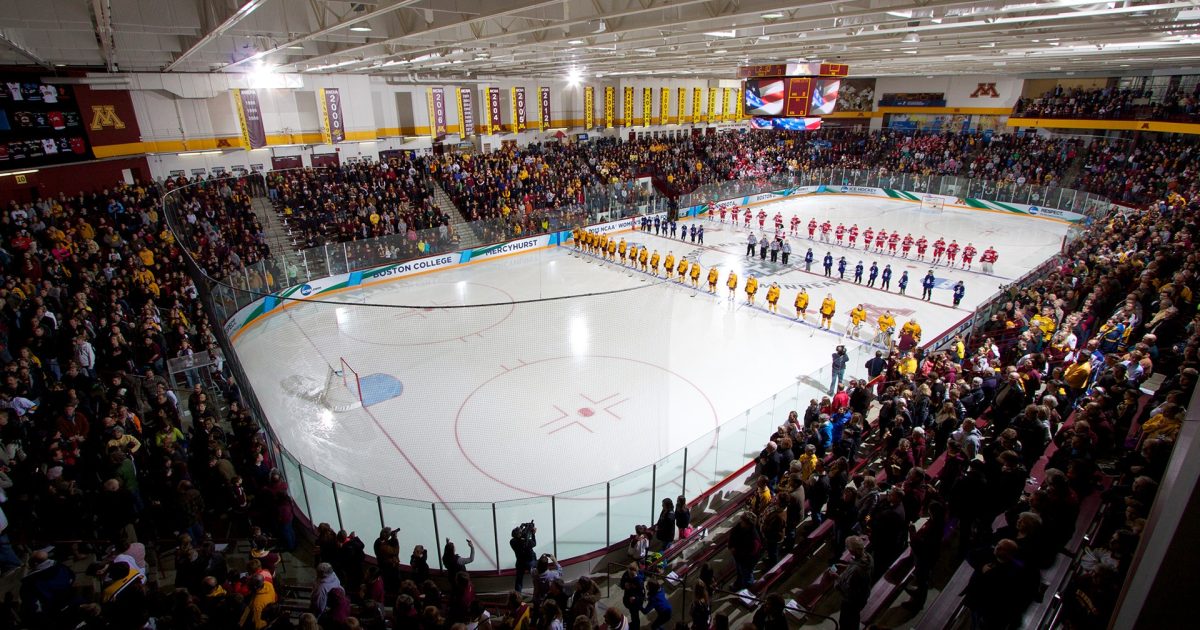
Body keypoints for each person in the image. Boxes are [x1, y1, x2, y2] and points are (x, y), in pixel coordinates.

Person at [832, 536, 872, 630]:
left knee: (846, 622)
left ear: (851, 551)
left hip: (852, 601)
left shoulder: (856, 571)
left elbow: (848, 590)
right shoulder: (868, 557)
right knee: (854, 618)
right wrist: (846, 566)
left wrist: (837, 578)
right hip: (864, 594)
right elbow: (857, 564)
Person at [511, 523, 537, 592]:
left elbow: (519, 538)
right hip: (530, 562)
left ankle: (517, 594)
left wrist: (521, 529)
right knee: (536, 577)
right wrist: (533, 534)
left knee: (519, 580)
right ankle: (537, 591)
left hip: (520, 562)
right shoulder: (527, 542)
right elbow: (534, 543)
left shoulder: (512, 542)